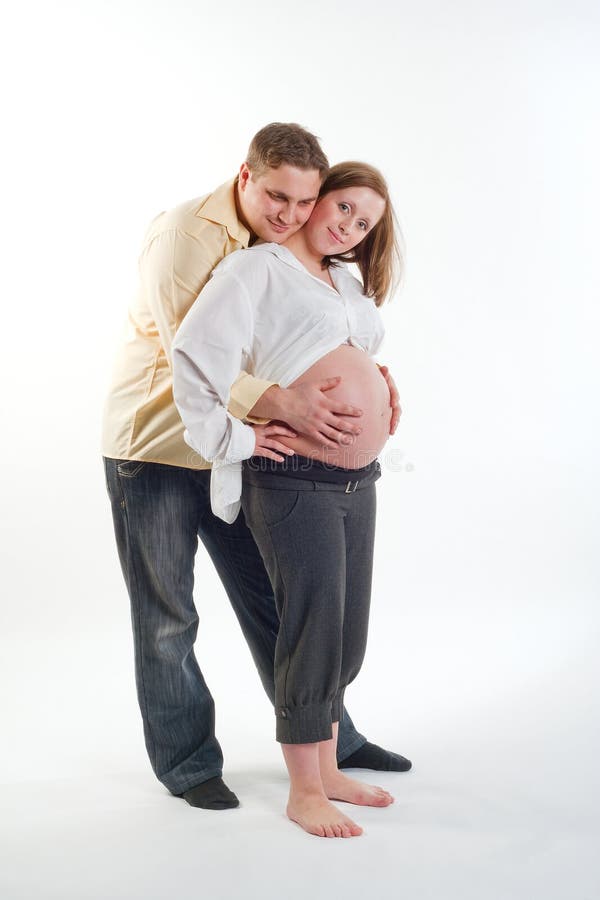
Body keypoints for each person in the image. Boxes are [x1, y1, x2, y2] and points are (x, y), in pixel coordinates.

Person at [102, 123, 410, 813]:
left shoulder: (292, 249)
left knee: (285, 598)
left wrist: (368, 377)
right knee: (167, 616)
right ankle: (188, 764)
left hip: (252, 448)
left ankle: (332, 737)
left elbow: (293, 332)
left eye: (307, 203)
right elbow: (199, 349)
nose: (291, 215)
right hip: (155, 446)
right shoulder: (187, 238)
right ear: (245, 175)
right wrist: (288, 405)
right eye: (278, 197)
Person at [172, 161, 402, 837]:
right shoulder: (257, 269)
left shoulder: (344, 282)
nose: (349, 227)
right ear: (319, 198)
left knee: (345, 636)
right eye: (345, 209)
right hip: (295, 476)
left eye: (365, 224)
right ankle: (305, 791)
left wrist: (382, 391)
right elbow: (194, 352)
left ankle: (328, 769)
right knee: (310, 627)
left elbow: (340, 352)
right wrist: (232, 436)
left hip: (356, 480)